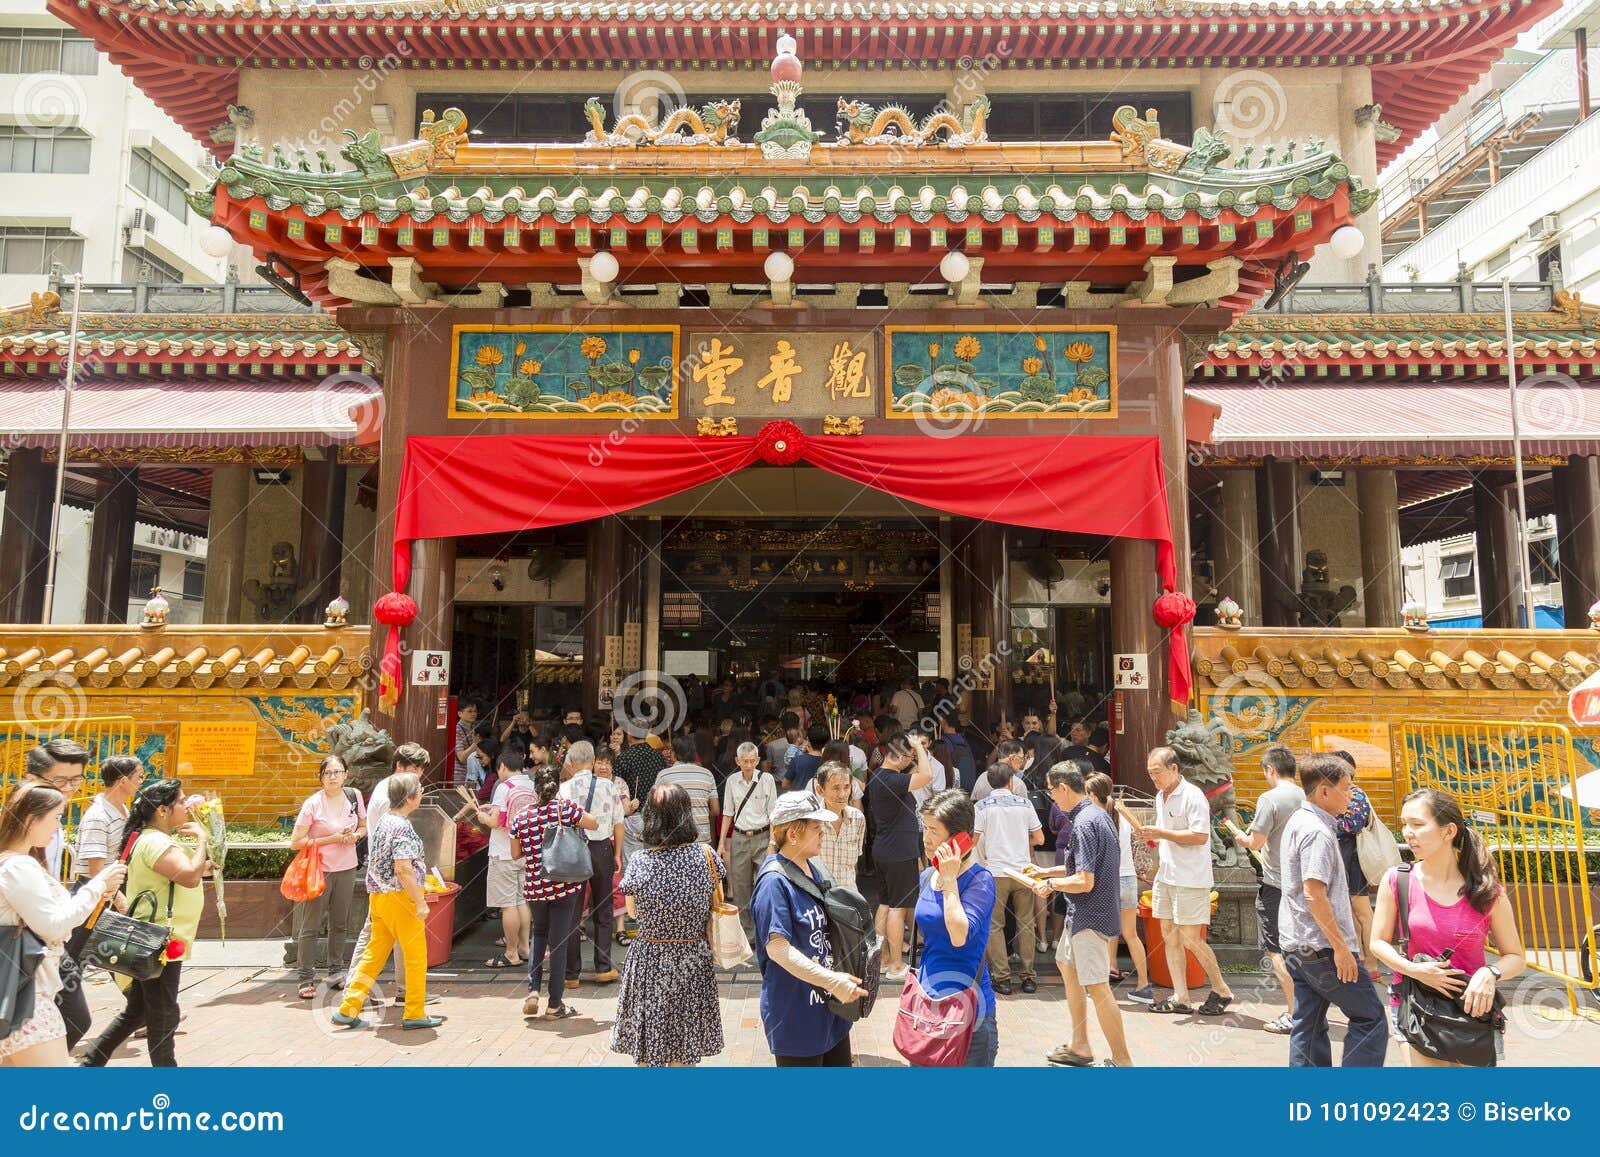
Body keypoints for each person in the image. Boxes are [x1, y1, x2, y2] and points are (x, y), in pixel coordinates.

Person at [1369, 788, 1525, 1067]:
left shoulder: (1487, 891)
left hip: (1471, 1010)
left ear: (1448, 830)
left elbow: (1515, 956)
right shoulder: (1398, 881)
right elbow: (1377, 942)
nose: (1407, 832)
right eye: (1404, 824)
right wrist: (1414, 970)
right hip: (1416, 1005)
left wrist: (1490, 973)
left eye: (1417, 824)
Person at [83, 779, 213, 1066]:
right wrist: (202, 839)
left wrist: (205, 861)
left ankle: (90, 1063)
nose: (186, 807)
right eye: (181, 802)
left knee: (139, 1011)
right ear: (163, 811)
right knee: (164, 1013)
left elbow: (185, 873)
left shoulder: (158, 839)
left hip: (163, 938)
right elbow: (188, 877)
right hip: (160, 942)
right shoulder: (155, 841)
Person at [0, 784, 124, 1066]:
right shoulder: (18, 867)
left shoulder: (15, 863)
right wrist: (96, 886)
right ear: (31, 819)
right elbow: (53, 925)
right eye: (56, 817)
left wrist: (95, 892)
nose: (58, 827)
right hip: (27, 1000)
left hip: (19, 994)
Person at [1277, 754, 1386, 1067]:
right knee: (1370, 1018)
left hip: (1297, 943)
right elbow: (1313, 891)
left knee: (1308, 1025)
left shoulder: (1300, 821)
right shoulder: (1317, 832)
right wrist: (1340, 948)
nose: (1352, 797)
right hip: (1323, 947)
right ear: (1324, 792)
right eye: (1347, 788)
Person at [611, 784, 726, 1066]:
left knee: (649, 1045)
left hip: (649, 957)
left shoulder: (640, 861)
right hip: (693, 956)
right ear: (685, 815)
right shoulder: (706, 856)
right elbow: (715, 904)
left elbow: (633, 913)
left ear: (652, 816)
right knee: (685, 1045)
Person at [751, 791, 868, 1065]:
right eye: (816, 828)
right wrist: (832, 980)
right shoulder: (774, 883)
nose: (822, 833)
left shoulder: (814, 866)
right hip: (796, 1016)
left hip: (829, 1010)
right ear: (793, 834)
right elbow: (778, 949)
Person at [1025, 764, 1131, 1066]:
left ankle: (1122, 1061)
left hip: (1089, 915)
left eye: (1050, 790)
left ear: (1062, 788)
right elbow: (1083, 869)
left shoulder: (1085, 823)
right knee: (1066, 966)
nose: (1051, 798)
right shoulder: (1096, 815)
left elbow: (1085, 881)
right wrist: (1046, 871)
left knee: (1097, 987)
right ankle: (1080, 1045)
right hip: (1084, 914)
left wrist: (1050, 884)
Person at [332, 772, 446, 1032]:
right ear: (410, 798)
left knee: (373, 954)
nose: (422, 793)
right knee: (416, 956)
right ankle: (415, 1011)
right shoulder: (403, 827)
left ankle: (348, 1008)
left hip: (379, 898)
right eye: (419, 790)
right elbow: (403, 868)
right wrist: (420, 901)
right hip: (401, 899)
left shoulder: (384, 821)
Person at [1137, 746, 1235, 1015]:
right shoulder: (1160, 796)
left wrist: (1162, 833)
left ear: (1174, 769)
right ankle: (1181, 996)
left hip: (1191, 877)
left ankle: (1222, 989)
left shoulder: (1192, 796)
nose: (1153, 778)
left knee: (1191, 938)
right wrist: (1153, 837)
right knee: (1168, 934)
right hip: (1167, 875)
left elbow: (1200, 836)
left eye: (1157, 772)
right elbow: (1167, 834)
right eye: (1150, 773)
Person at [911, 790, 999, 1066]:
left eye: (934, 831)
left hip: (970, 1012)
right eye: (924, 828)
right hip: (927, 1003)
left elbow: (959, 935)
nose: (926, 838)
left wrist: (950, 882)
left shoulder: (980, 881)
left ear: (960, 839)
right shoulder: (927, 875)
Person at [345, 743, 435, 1009]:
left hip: (384, 881)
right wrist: (418, 897)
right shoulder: (391, 801)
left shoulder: (388, 789)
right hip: (390, 885)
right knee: (373, 937)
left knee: (380, 937)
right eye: (414, 768)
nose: (418, 775)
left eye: (421, 770)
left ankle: (401, 990)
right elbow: (400, 861)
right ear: (400, 766)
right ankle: (358, 990)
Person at [511, 765, 601, 1020]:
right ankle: (554, 1004)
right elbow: (594, 823)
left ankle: (532, 992)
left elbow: (515, 854)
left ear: (534, 788)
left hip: (534, 886)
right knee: (559, 942)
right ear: (557, 786)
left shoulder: (522, 816)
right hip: (564, 886)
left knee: (538, 936)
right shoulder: (565, 809)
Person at [20, 739, 91, 1046]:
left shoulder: (54, 820)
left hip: (47, 935)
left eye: (76, 779)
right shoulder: (17, 820)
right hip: (20, 938)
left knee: (69, 1020)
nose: (70, 787)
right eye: (60, 780)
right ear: (32, 778)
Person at [1230, 743, 1303, 1033]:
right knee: (1302, 950)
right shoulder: (1306, 796)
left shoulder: (1270, 799)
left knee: (1277, 951)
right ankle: (1308, 1012)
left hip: (1277, 884)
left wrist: (1242, 839)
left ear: (1270, 769)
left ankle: (1294, 1014)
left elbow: (1256, 842)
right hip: (1304, 885)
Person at [289, 754, 366, 999]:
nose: (333, 777)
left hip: (346, 866)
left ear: (346, 774)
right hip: (319, 870)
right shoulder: (313, 803)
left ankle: (336, 972)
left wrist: (356, 836)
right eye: (327, 773)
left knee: (340, 923)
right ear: (321, 777)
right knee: (311, 925)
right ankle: (305, 978)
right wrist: (331, 839)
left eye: (337, 772)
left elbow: (364, 826)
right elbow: (296, 842)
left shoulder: (354, 797)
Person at [867, 732, 936, 980]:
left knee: (886, 904)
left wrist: (914, 752)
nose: (911, 760)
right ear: (897, 757)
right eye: (906, 756)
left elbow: (918, 770)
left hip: (888, 849)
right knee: (898, 907)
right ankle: (896, 964)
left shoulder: (880, 777)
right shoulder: (891, 779)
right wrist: (917, 746)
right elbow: (927, 776)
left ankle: (884, 958)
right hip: (897, 852)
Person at [973, 763, 1042, 995]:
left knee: (994, 925)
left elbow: (973, 841)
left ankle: (1002, 978)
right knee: (1025, 923)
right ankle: (1028, 977)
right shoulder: (1025, 803)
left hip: (995, 872)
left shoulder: (982, 806)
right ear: (1011, 781)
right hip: (1023, 871)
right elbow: (1039, 838)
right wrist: (1021, 843)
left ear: (989, 782)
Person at [559, 741, 624, 986]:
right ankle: (603, 967)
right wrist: (617, 854)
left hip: (574, 851)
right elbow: (619, 823)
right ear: (593, 759)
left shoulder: (564, 788)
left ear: (572, 763)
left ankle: (571, 973)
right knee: (604, 910)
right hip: (602, 849)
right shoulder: (609, 786)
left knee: (572, 913)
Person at [1084, 772, 1149, 999]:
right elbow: (1137, 845)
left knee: (1100, 935)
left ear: (1092, 794)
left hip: (1107, 881)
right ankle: (1143, 985)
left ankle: (1099, 987)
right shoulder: (1123, 814)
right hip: (1128, 878)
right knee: (1130, 935)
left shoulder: (1094, 818)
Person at [476, 748, 533, 970]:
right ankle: (525, 948)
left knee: (507, 905)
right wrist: (493, 810)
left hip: (504, 852)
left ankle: (511, 953)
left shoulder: (504, 787)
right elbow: (505, 814)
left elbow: (495, 822)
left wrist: (483, 816)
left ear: (502, 767)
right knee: (521, 900)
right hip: (525, 852)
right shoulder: (529, 785)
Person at [717, 741, 777, 938]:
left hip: (763, 837)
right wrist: (721, 844)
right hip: (740, 837)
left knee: (765, 885)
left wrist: (772, 843)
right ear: (737, 761)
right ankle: (747, 934)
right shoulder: (732, 781)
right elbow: (727, 812)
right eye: (745, 761)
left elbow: (773, 815)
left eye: (752, 761)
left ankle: (766, 930)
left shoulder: (767, 780)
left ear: (758, 760)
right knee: (741, 888)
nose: (749, 765)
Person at [1330, 751, 1379, 974]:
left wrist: (1327, 820)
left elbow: (1352, 824)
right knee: (1348, 911)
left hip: (1353, 858)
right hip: (1339, 856)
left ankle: (1372, 962)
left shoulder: (1357, 794)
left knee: (1362, 911)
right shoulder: (1335, 794)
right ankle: (1358, 956)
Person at [657, 734, 720, 843]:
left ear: (674, 753)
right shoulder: (707, 774)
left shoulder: (663, 775)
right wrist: (701, 813)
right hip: (702, 839)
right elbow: (715, 810)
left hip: (674, 839)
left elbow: (657, 808)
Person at [815, 763, 866, 893]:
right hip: (817, 898)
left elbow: (852, 865)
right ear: (820, 790)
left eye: (847, 787)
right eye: (836, 788)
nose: (843, 794)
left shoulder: (858, 818)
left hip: (848, 898)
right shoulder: (810, 821)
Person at [614, 727, 668, 802]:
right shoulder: (659, 757)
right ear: (647, 734)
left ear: (629, 734)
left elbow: (615, 784)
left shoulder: (624, 758)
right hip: (655, 806)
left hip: (632, 808)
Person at [782, 721, 829, 791]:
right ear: (826, 742)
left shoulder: (797, 760)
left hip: (801, 799)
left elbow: (785, 784)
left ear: (808, 739)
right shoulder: (829, 762)